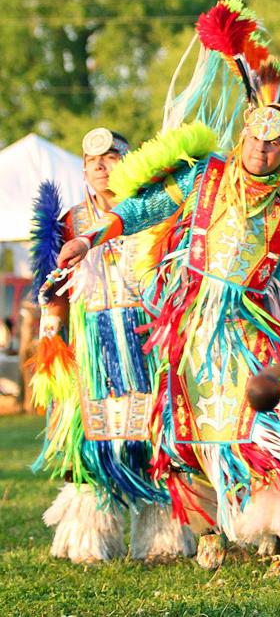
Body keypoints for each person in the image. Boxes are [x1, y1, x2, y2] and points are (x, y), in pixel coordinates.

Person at [57, 0, 280, 576]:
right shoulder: (206, 176)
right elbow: (144, 208)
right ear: (244, 131)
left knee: (265, 430)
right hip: (192, 328)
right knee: (186, 431)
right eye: (255, 137)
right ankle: (209, 532)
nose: (261, 148)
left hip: (256, 332)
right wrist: (90, 237)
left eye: (274, 142)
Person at [29, 128, 192, 564]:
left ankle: (162, 540)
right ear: (84, 169)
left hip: (149, 339)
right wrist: (49, 341)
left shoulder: (156, 213)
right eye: (92, 161)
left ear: (130, 161)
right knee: (94, 443)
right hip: (94, 348)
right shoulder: (70, 222)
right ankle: (91, 541)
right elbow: (53, 291)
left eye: (112, 157)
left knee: (156, 438)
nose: (101, 167)